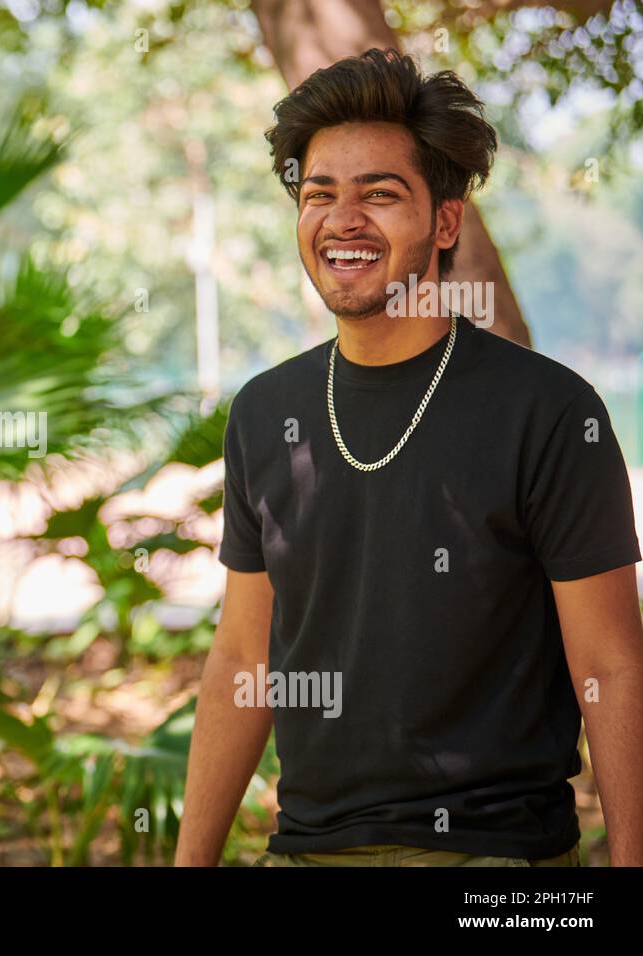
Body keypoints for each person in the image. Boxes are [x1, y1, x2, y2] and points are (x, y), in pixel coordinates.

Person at [175, 49, 642, 867]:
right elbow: (242, 657)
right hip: (304, 851)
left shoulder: (551, 413)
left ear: (446, 222)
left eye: (380, 194)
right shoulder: (265, 413)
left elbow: (610, 664)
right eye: (319, 194)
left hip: (498, 864)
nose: (342, 219)